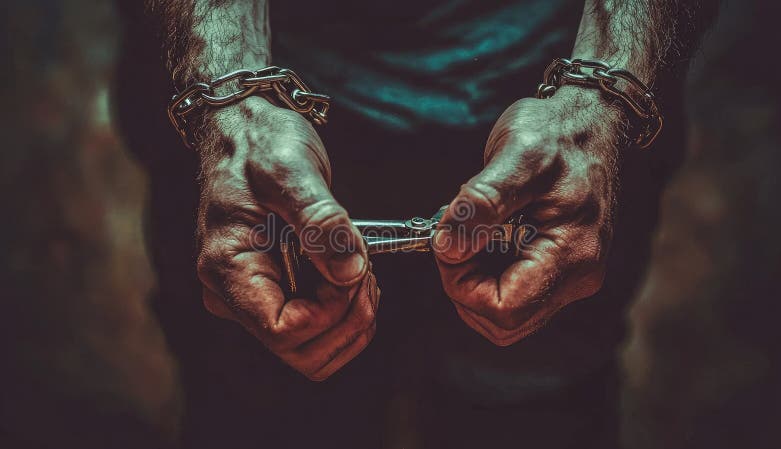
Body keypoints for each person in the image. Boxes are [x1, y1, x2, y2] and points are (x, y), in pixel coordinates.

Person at [115, 1, 716, 447]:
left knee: (530, 405)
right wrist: (231, 108)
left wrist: (600, 102)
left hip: (553, 121)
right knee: (268, 404)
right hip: (254, 117)